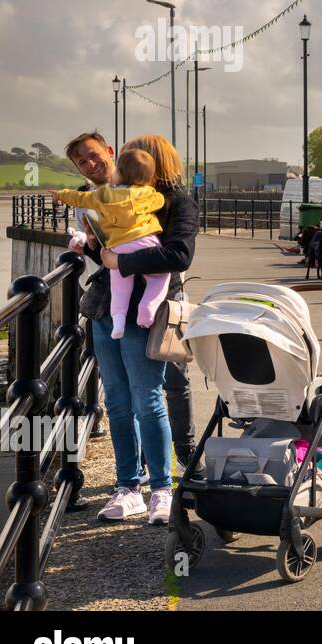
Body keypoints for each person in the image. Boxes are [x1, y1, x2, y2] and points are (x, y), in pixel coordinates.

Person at [65, 131, 201, 500]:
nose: (123, 163)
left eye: (131, 155)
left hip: (153, 311)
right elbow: (107, 259)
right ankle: (129, 483)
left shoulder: (175, 202)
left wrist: (120, 259)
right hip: (108, 308)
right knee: (119, 401)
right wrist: (93, 245)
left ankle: (166, 477)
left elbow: (178, 257)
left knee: (154, 394)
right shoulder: (122, 199)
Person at [50, 148, 169, 339]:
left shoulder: (105, 194)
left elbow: (80, 198)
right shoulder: (149, 193)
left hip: (118, 246)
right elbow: (160, 202)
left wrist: (60, 195)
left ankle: (118, 320)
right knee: (159, 278)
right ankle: (147, 310)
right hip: (146, 242)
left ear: (120, 174)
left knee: (119, 287)